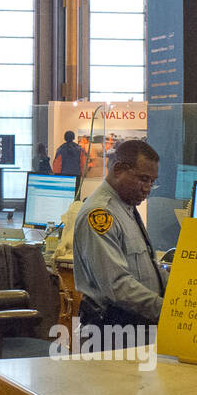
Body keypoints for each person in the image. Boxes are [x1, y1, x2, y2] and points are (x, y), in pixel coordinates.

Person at [72, 139, 163, 345]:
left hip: (134, 326)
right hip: (111, 331)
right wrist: (167, 310)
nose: (148, 188)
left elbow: (148, 268)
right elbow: (117, 286)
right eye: (143, 179)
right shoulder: (100, 214)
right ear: (118, 169)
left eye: (152, 181)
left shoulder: (125, 207)